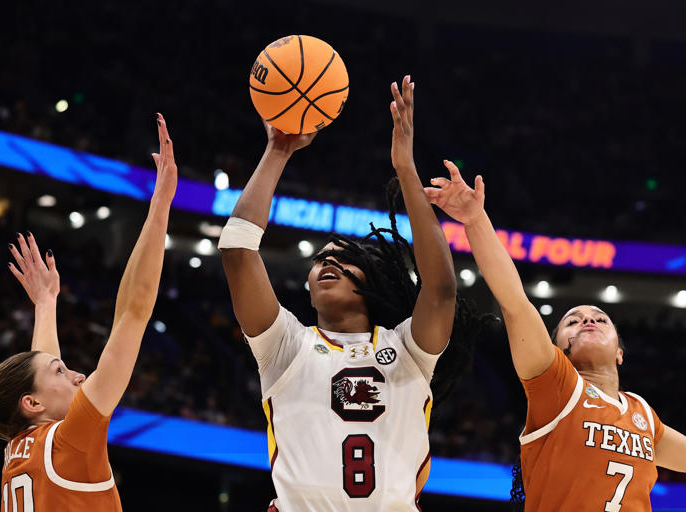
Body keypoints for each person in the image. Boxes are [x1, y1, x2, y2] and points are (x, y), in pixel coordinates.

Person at [219, 76, 484, 511]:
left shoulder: (408, 350)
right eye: (320, 260)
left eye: (344, 259)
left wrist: (406, 171)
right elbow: (237, 251)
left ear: (370, 282)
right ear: (307, 288)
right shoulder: (285, 346)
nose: (329, 263)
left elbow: (440, 289)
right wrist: (278, 150)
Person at [424, 162, 686, 511]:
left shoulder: (643, 414)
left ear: (620, 352)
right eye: (572, 321)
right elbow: (514, 302)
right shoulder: (556, 385)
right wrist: (475, 221)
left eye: (600, 319)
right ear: (557, 347)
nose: (588, 320)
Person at [0, 113, 178, 511]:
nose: (79, 375)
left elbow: (41, 368)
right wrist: (160, 206)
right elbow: (134, 312)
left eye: (63, 370)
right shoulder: (69, 440)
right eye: (62, 372)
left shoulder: (21, 447)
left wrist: (45, 305)